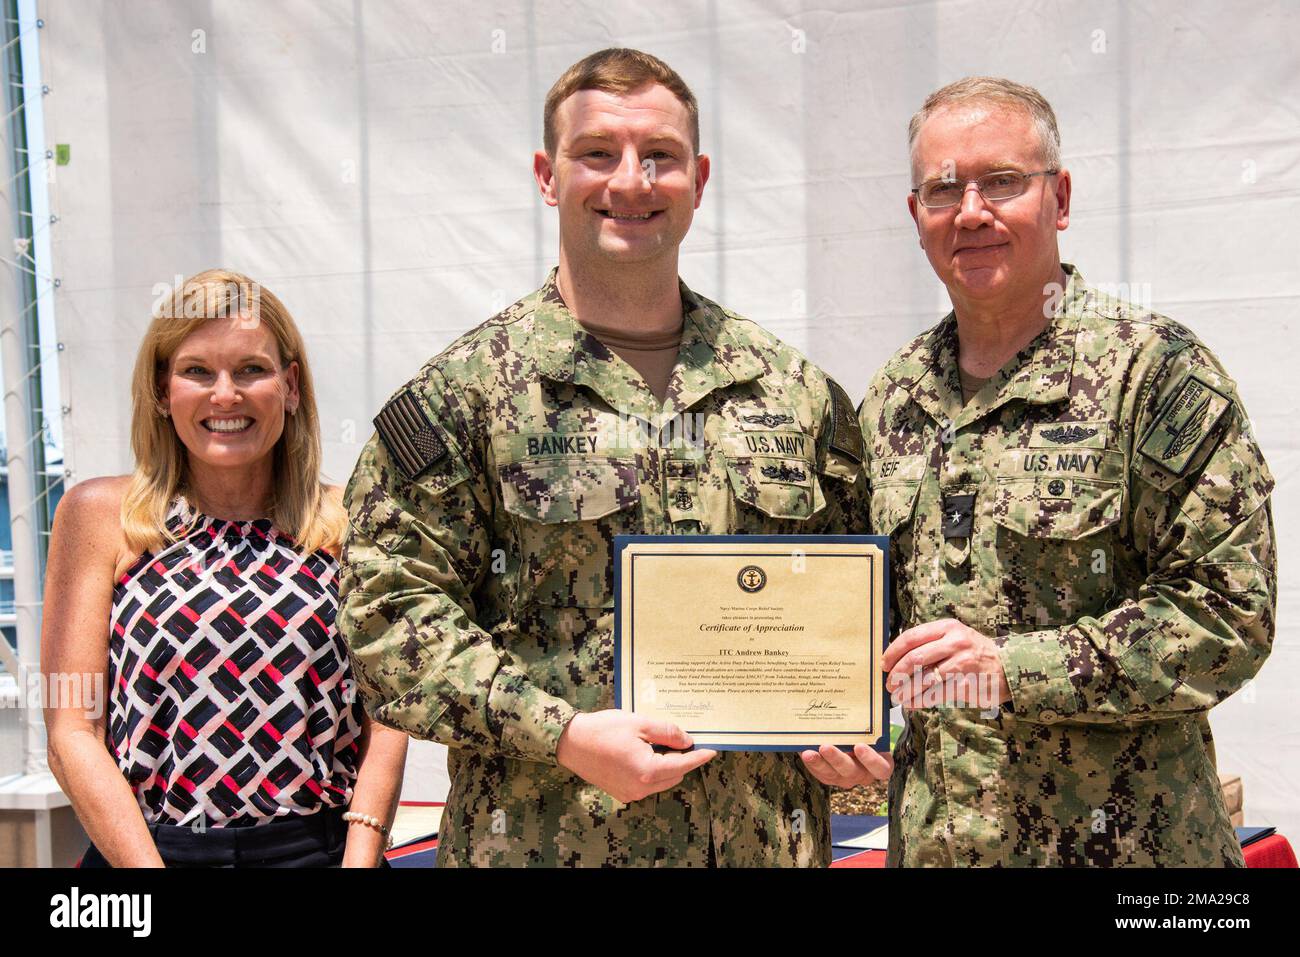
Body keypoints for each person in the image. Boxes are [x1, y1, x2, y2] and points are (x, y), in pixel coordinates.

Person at [339, 47, 890, 867]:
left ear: (698, 179)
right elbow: (386, 618)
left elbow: (870, 613)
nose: (630, 181)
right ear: (547, 174)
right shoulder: (463, 397)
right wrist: (560, 733)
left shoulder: (798, 394)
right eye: (597, 153)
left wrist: (861, 735)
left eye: (659, 156)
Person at [861, 77, 1276, 866]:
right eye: (944, 188)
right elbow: (865, 623)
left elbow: (1229, 615)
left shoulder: (1155, 375)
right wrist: (835, 721)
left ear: (1060, 198)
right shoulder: (892, 399)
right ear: (917, 216)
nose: (972, 210)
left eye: (1003, 182)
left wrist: (1012, 670)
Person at [42, 269, 408, 867]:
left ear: (290, 386)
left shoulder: (351, 522)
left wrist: (363, 855)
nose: (225, 395)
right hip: (144, 855)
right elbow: (70, 730)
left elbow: (388, 718)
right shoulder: (97, 517)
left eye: (251, 370)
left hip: (321, 853)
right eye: (196, 371)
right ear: (162, 390)